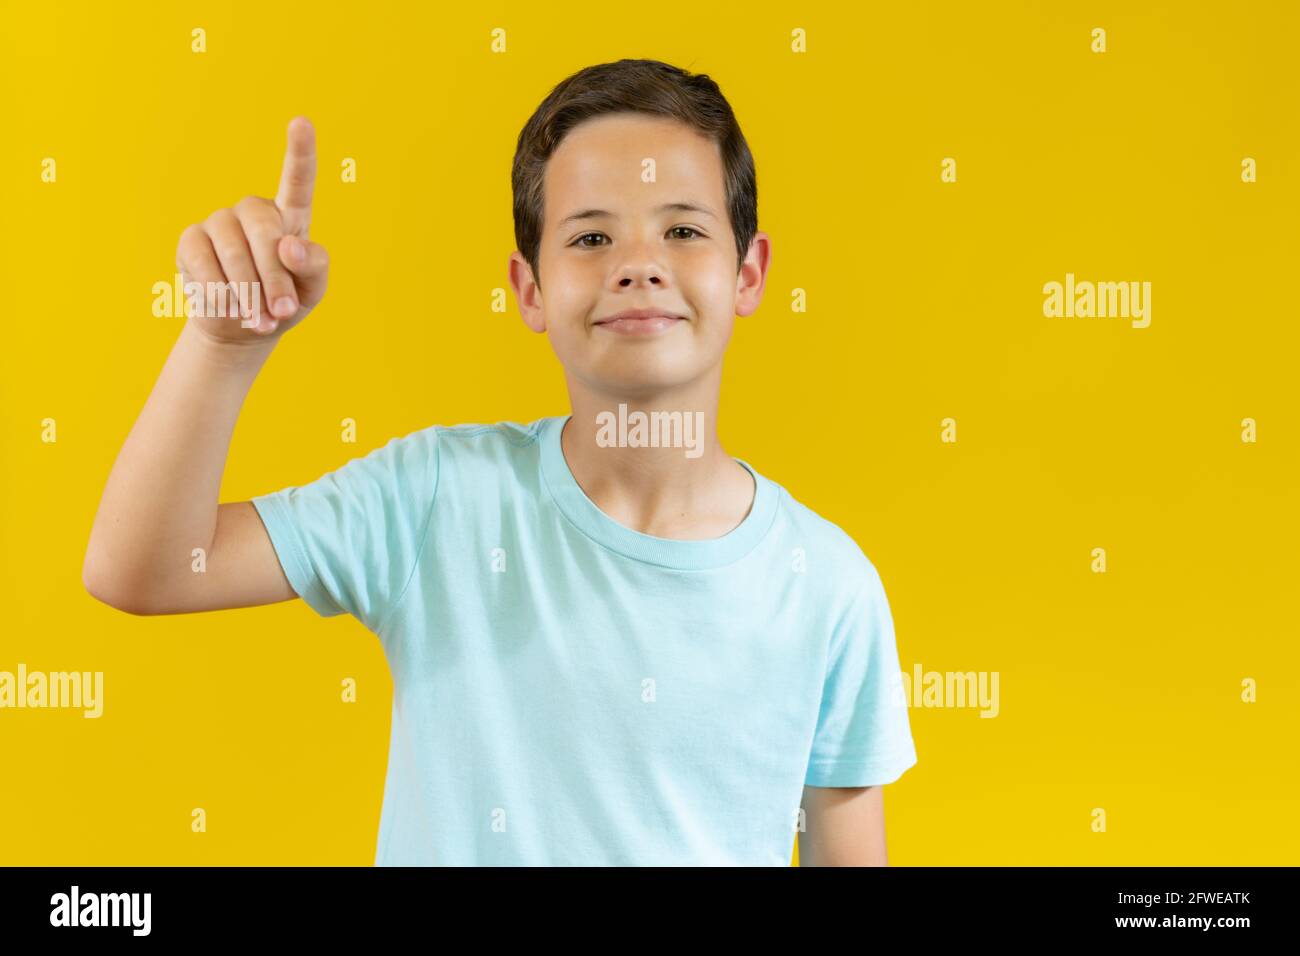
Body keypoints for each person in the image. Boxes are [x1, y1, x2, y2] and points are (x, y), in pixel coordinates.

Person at [83, 58, 917, 866]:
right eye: (590, 235)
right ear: (528, 289)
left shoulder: (829, 586)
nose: (637, 263)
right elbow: (142, 571)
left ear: (750, 271)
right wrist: (222, 345)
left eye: (684, 229)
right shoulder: (438, 498)